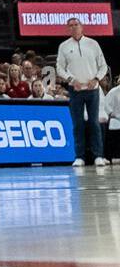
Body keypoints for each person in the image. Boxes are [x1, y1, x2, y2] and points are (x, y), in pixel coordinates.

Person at [56, 17, 108, 168]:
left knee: (94, 122)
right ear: (68, 29)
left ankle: (98, 155)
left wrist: (96, 79)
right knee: (77, 124)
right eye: (70, 26)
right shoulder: (64, 46)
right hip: (75, 90)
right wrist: (71, 80)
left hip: (92, 89)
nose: (73, 28)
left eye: (76, 25)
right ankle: (79, 157)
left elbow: (103, 66)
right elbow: (59, 68)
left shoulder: (93, 44)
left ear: (81, 26)